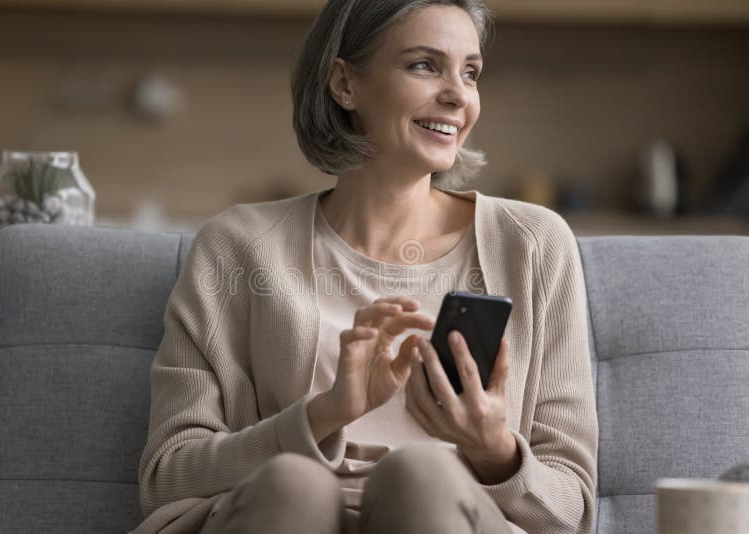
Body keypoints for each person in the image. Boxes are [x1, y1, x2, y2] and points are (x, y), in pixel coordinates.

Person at [133, 0, 598, 533]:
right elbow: (165, 480)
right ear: (344, 84)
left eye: (470, 72)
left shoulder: (534, 246)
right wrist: (324, 413)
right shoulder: (238, 248)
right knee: (294, 485)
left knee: (421, 475)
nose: (457, 95)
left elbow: (573, 510)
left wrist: (493, 449)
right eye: (424, 65)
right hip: (282, 517)